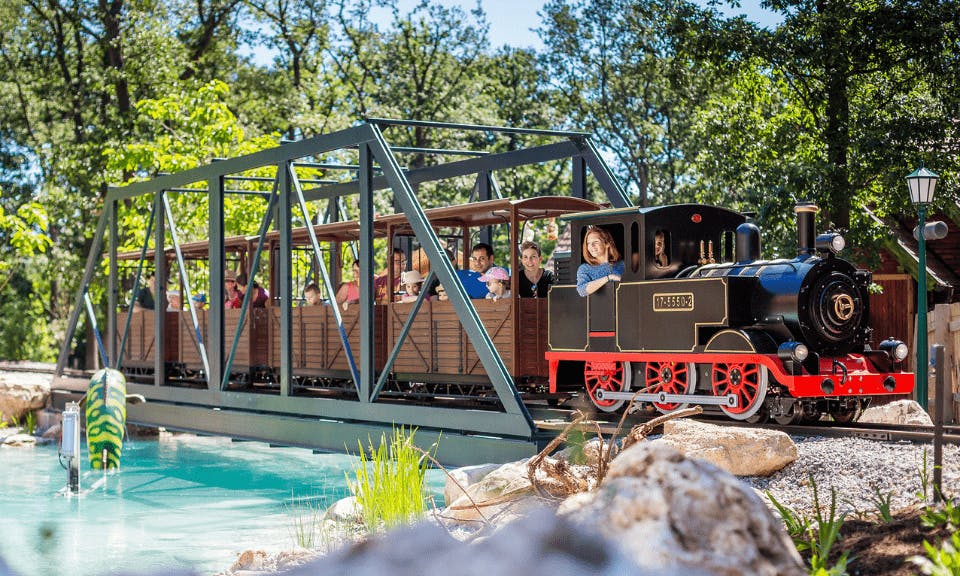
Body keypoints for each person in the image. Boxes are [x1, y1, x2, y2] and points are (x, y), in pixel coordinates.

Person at [576, 226, 624, 297]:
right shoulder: (585, 268)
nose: (591, 246)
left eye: (595, 242)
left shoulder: (622, 265)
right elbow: (582, 290)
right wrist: (609, 277)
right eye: (588, 243)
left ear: (607, 243)